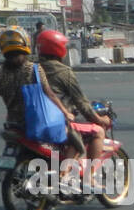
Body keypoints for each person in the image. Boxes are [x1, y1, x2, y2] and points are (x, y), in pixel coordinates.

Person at [36, 30, 112, 163]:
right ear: (59, 49)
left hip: (31, 120)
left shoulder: (32, 68)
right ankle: (90, 175)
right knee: (97, 131)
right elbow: (81, 102)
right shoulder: (63, 72)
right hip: (57, 121)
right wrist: (99, 119)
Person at [0, 28, 75, 143]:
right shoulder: (33, 69)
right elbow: (50, 94)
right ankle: (58, 161)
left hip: (12, 122)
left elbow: (1, 93)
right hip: (33, 122)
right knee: (65, 136)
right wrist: (66, 113)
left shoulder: (1, 72)